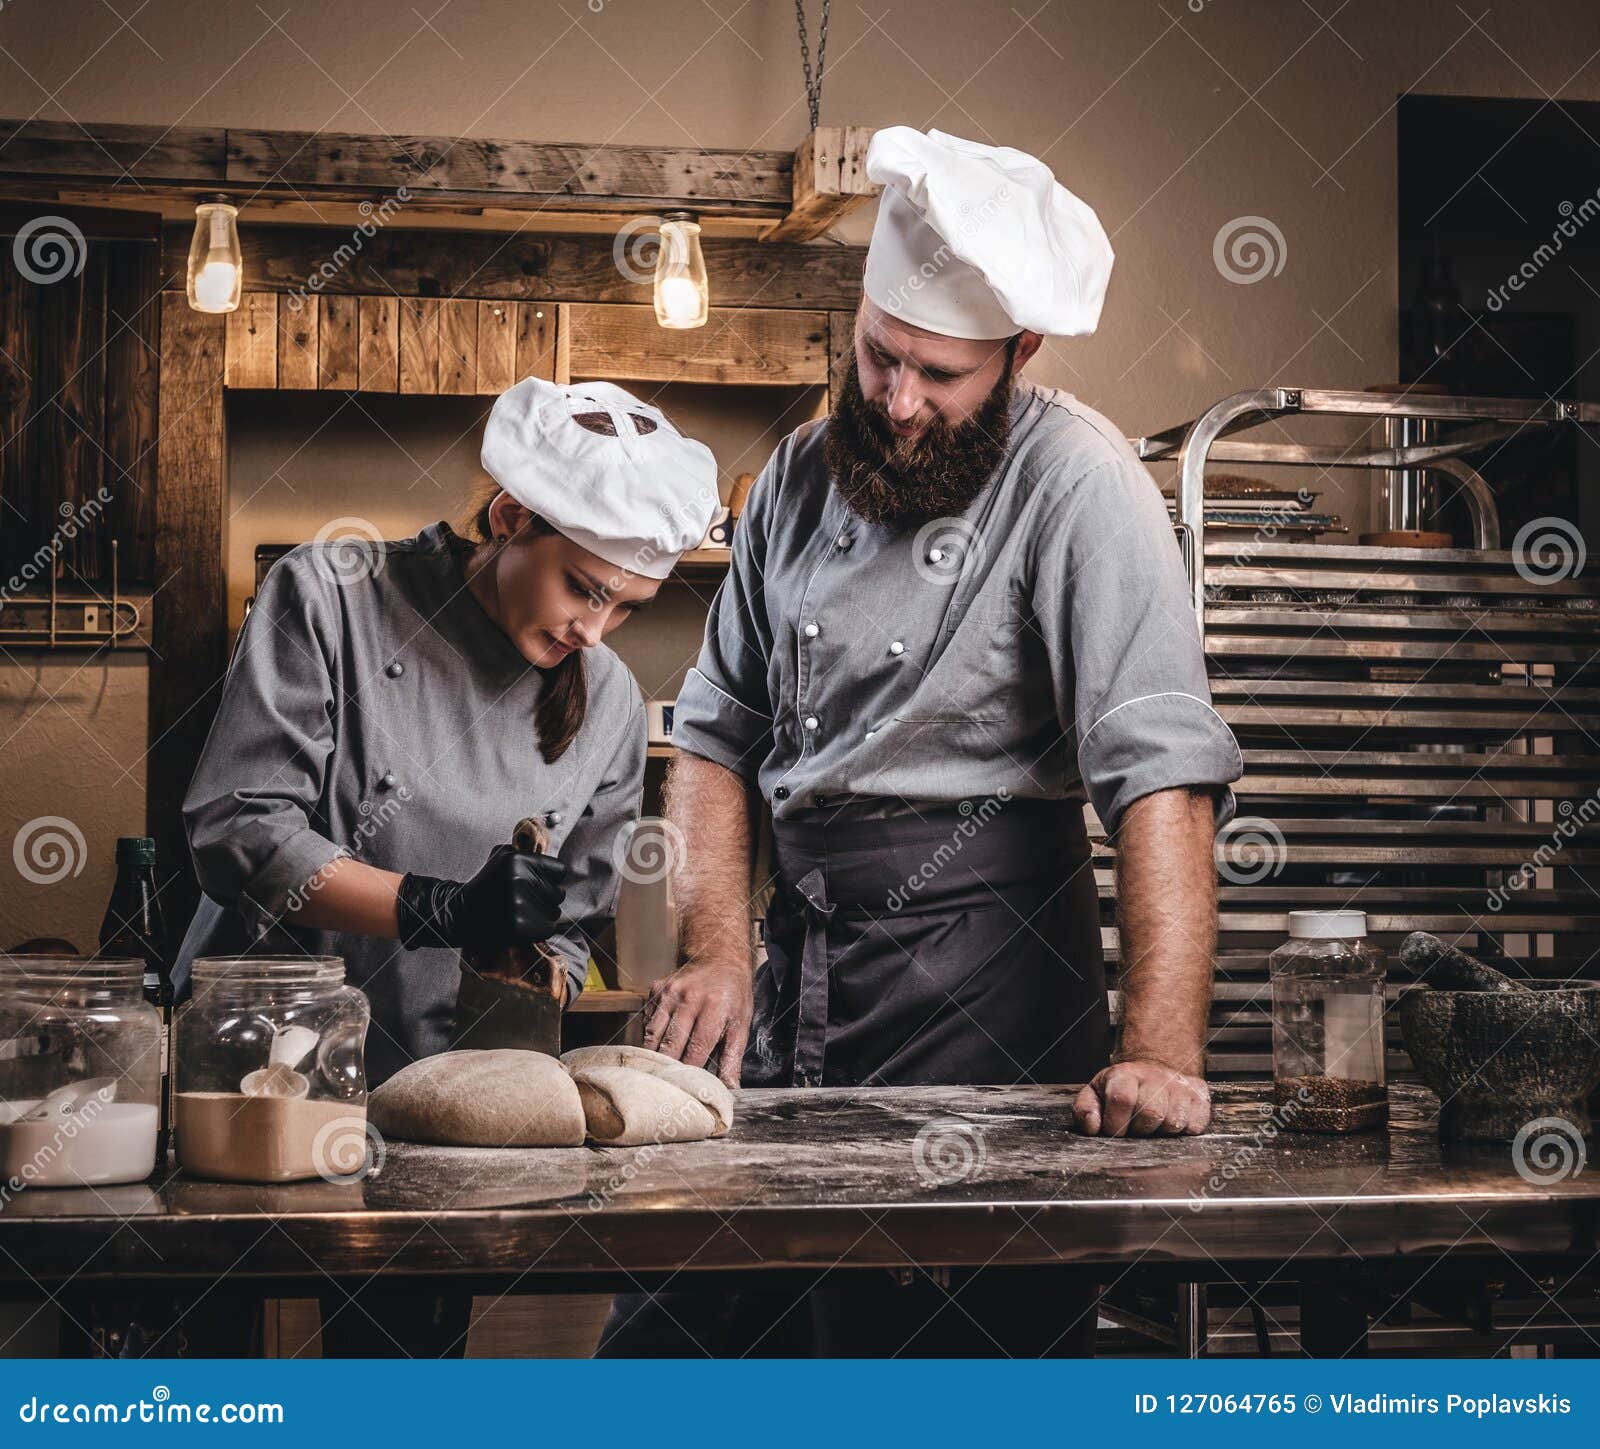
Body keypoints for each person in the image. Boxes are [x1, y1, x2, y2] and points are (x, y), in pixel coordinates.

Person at [598, 126, 1244, 1358]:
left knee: (937, 1354)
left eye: (939, 377)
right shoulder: (791, 477)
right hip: (795, 987)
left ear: (1018, 355)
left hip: (987, 993)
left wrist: (1159, 1051)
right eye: (880, 356)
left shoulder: (1079, 484)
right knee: (678, 1335)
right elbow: (718, 739)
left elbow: (1159, 774)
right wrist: (721, 951)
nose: (897, 404)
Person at [173, 377, 718, 1357]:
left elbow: (579, 902)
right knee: (202, 1341)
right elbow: (240, 830)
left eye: (626, 606)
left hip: (435, 1085)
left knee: (397, 1365)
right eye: (584, 588)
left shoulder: (607, 693)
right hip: (253, 1053)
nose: (593, 631)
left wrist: (543, 948)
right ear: (510, 516)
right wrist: (434, 909)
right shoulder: (330, 593)